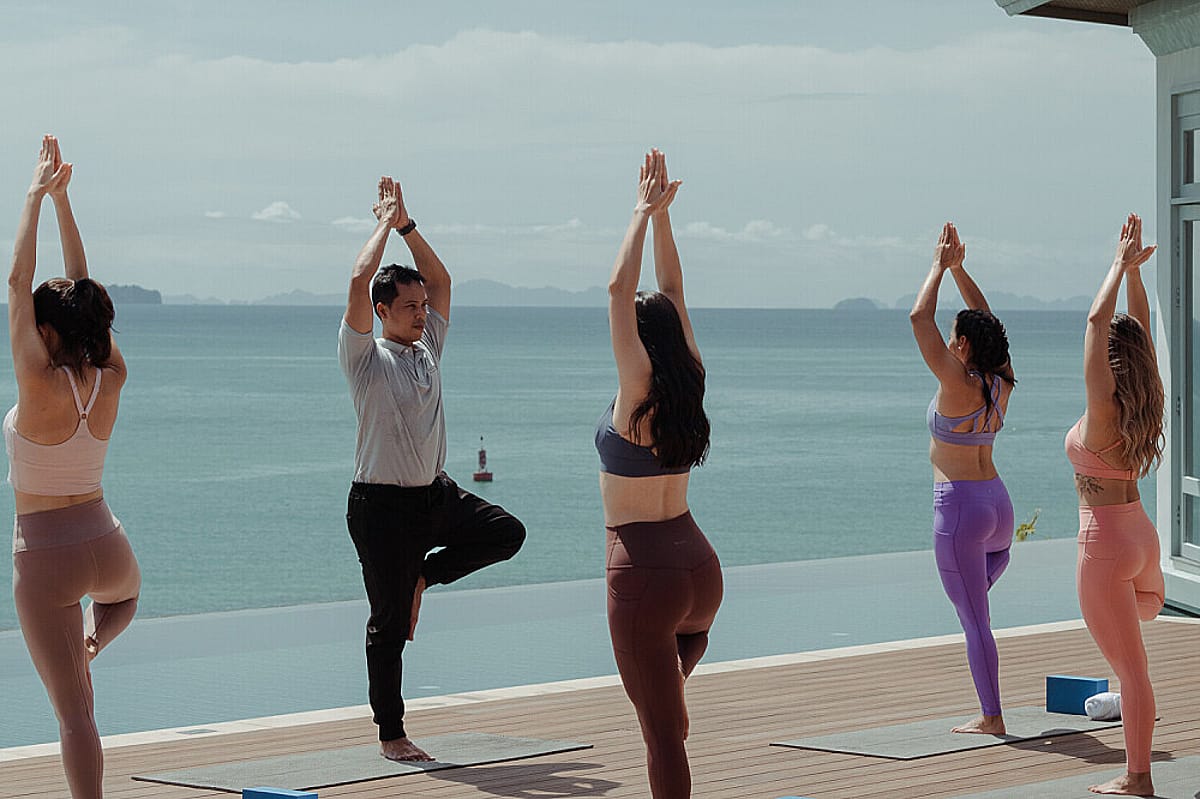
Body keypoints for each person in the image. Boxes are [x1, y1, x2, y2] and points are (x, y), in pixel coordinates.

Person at [338, 175, 525, 762]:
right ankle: (391, 733)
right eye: (410, 307)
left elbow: (442, 281)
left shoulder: (427, 348)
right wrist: (381, 226)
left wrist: (408, 226)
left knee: (507, 532)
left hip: (434, 497)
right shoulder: (365, 357)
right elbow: (357, 281)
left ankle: (425, 575)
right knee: (388, 625)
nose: (423, 313)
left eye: (423, 307)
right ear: (382, 311)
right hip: (380, 509)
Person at [5, 136, 140, 798]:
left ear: (47, 332)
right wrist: (65, 203)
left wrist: (34, 197)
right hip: (107, 545)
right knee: (125, 598)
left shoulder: (37, 383)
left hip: (46, 558)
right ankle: (90, 640)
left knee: (75, 715)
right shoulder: (110, 376)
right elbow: (84, 291)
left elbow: (14, 283)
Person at [597, 149, 722, 799]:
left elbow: (619, 292)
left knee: (663, 740)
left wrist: (641, 213)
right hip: (699, 572)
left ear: (641, 340)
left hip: (646, 576)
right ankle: (671, 689)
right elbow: (671, 291)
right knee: (667, 713)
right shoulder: (689, 375)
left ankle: (667, 702)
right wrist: (666, 218)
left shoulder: (637, 388)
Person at [1069, 213, 1164, 797]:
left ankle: (1137, 777)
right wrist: (1133, 275)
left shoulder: (1103, 407)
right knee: (1137, 643)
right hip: (1141, 539)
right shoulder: (1142, 397)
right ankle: (1137, 759)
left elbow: (1095, 321)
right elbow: (1140, 330)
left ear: (1106, 359)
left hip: (1103, 546)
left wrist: (1117, 264)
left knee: (1131, 672)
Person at [910, 222, 1016, 735]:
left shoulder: (956, 381)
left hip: (960, 512)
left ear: (965, 346)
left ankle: (992, 716)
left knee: (975, 621)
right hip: (998, 508)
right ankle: (973, 592)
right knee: (976, 596)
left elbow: (918, 317)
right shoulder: (1002, 380)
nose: (948, 342)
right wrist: (960, 270)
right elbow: (989, 322)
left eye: (954, 337)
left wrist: (937, 266)